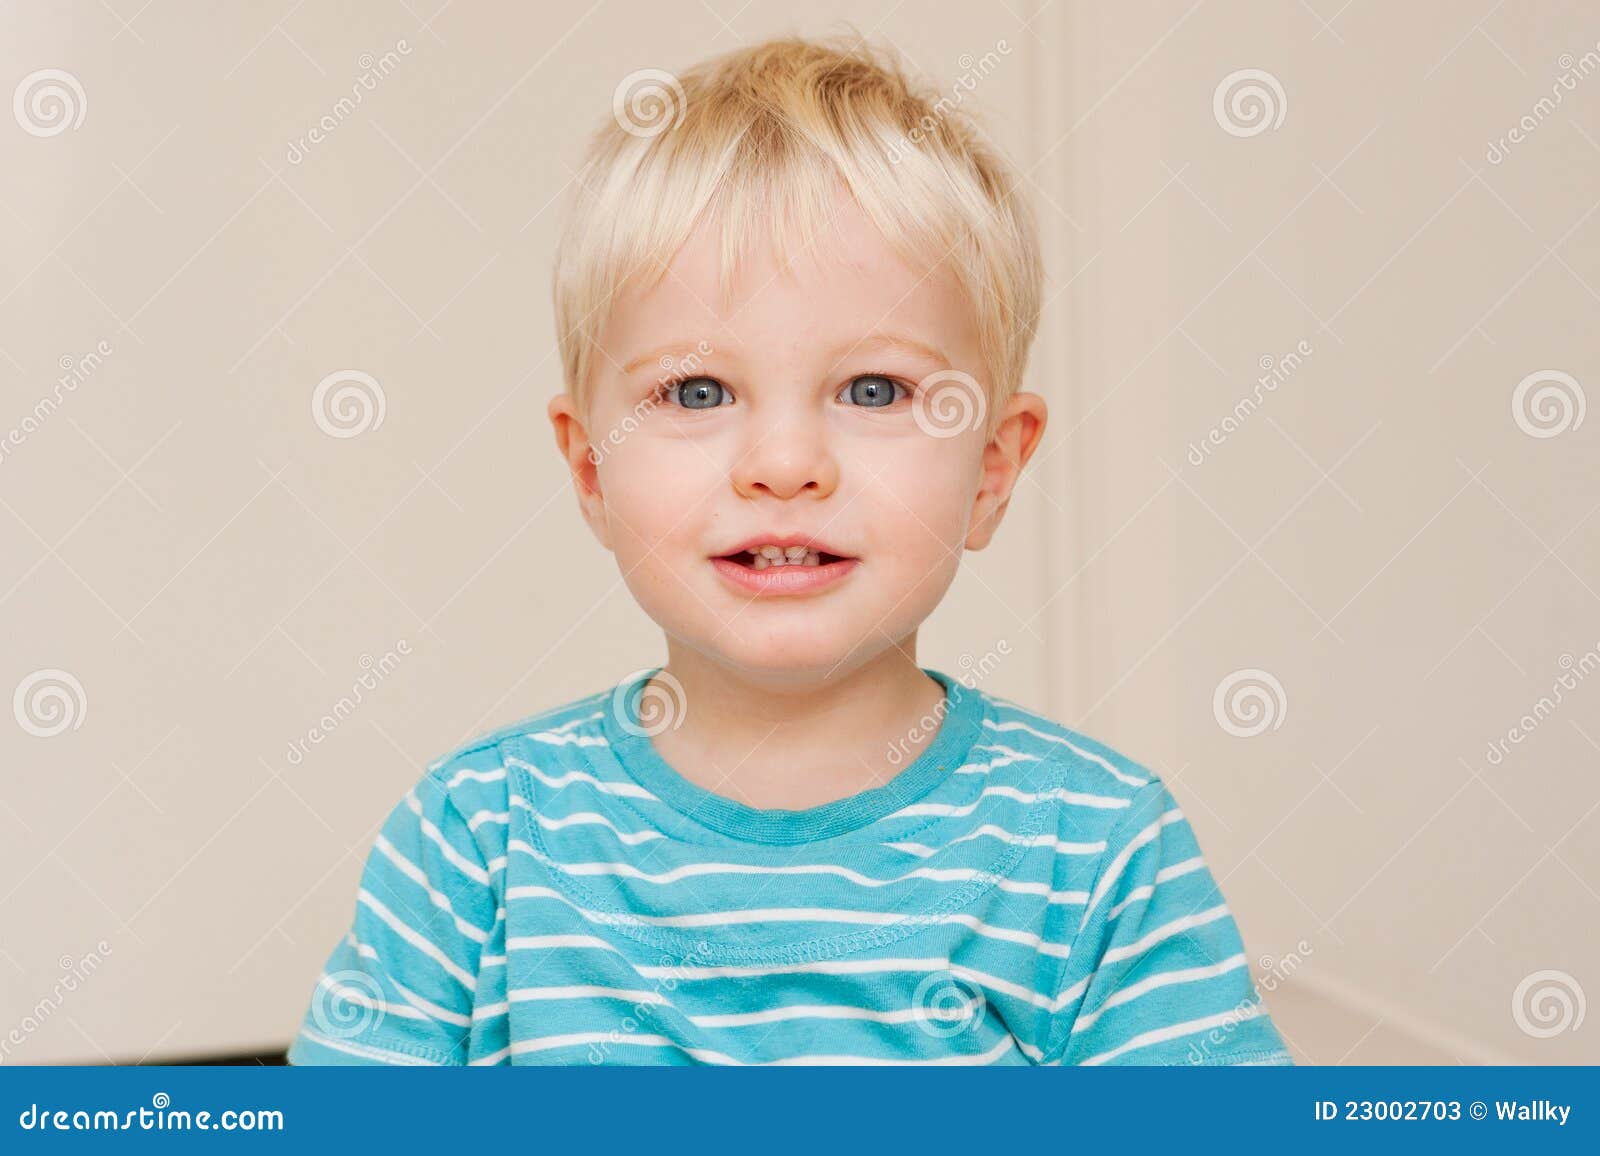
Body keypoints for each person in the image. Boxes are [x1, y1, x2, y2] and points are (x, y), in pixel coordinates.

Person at [286, 34, 1293, 1067]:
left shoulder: (1093, 849)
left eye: (874, 390)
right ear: (591, 469)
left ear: (991, 470)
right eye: (697, 391)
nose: (783, 465)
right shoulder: (478, 841)